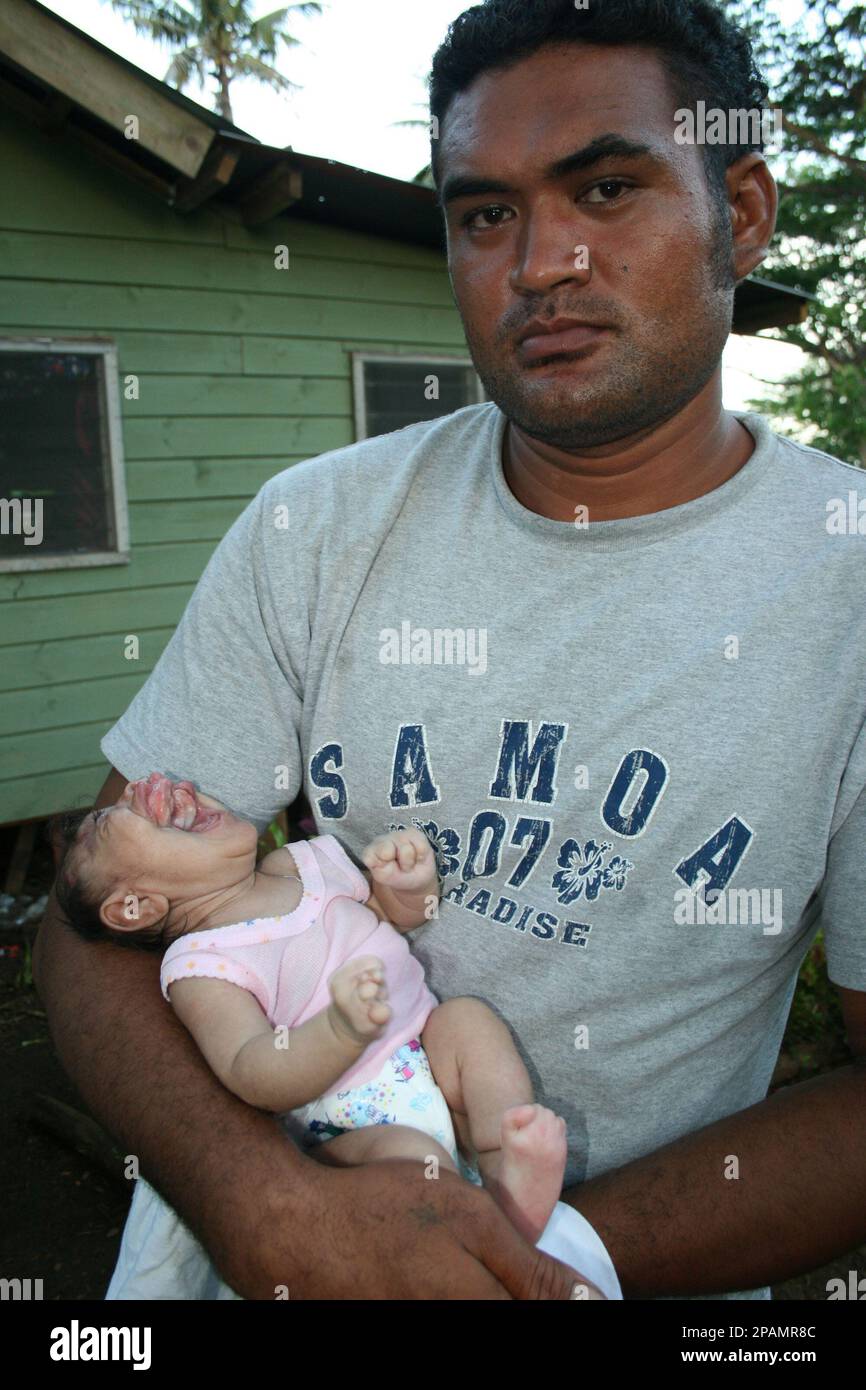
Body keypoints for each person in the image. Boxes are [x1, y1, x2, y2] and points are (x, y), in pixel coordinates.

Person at [34, 0, 866, 1301]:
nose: (540, 261)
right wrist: (261, 1205)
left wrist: (532, 1261)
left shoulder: (846, 584)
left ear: (743, 213)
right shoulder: (316, 526)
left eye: (604, 184)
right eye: (483, 213)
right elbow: (86, 936)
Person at [51, 772, 597, 1270]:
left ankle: (510, 1176)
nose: (145, 791)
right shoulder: (203, 963)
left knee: (469, 1023)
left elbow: (388, 918)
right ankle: (473, 1233)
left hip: (423, 1049)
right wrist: (337, 1030)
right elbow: (250, 1068)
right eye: (110, 818)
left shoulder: (303, 863)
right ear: (134, 907)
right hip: (346, 1120)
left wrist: (409, 889)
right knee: (416, 1161)